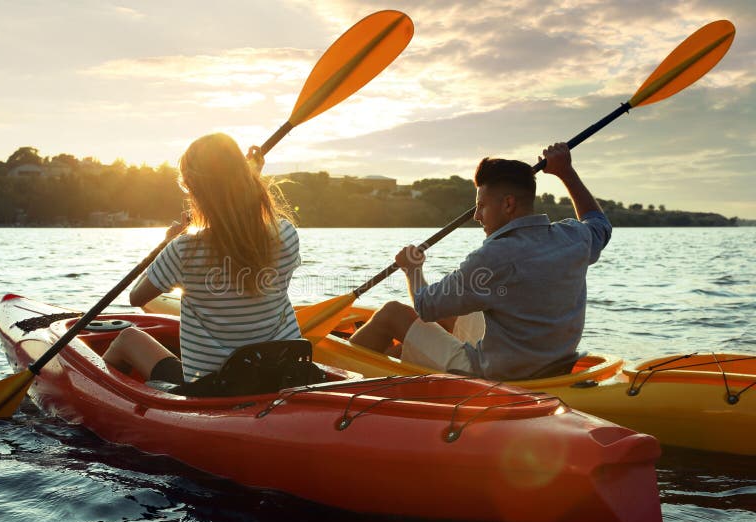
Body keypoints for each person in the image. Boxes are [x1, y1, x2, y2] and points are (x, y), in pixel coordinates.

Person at [349, 142, 612, 381]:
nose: (476, 215)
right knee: (459, 311)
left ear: (508, 204)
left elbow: (425, 305)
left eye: (482, 205)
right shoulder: (574, 237)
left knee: (392, 313)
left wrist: (412, 269)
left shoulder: (493, 256)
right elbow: (599, 223)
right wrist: (566, 173)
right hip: (552, 366)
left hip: (492, 374)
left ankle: (335, 375)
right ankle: (399, 356)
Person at [103, 133, 301, 384]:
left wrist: (165, 244)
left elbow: (137, 297)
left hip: (215, 387)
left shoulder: (184, 250)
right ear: (244, 180)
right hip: (283, 374)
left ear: (196, 192)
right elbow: (242, 235)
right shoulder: (286, 235)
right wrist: (249, 175)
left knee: (127, 338)